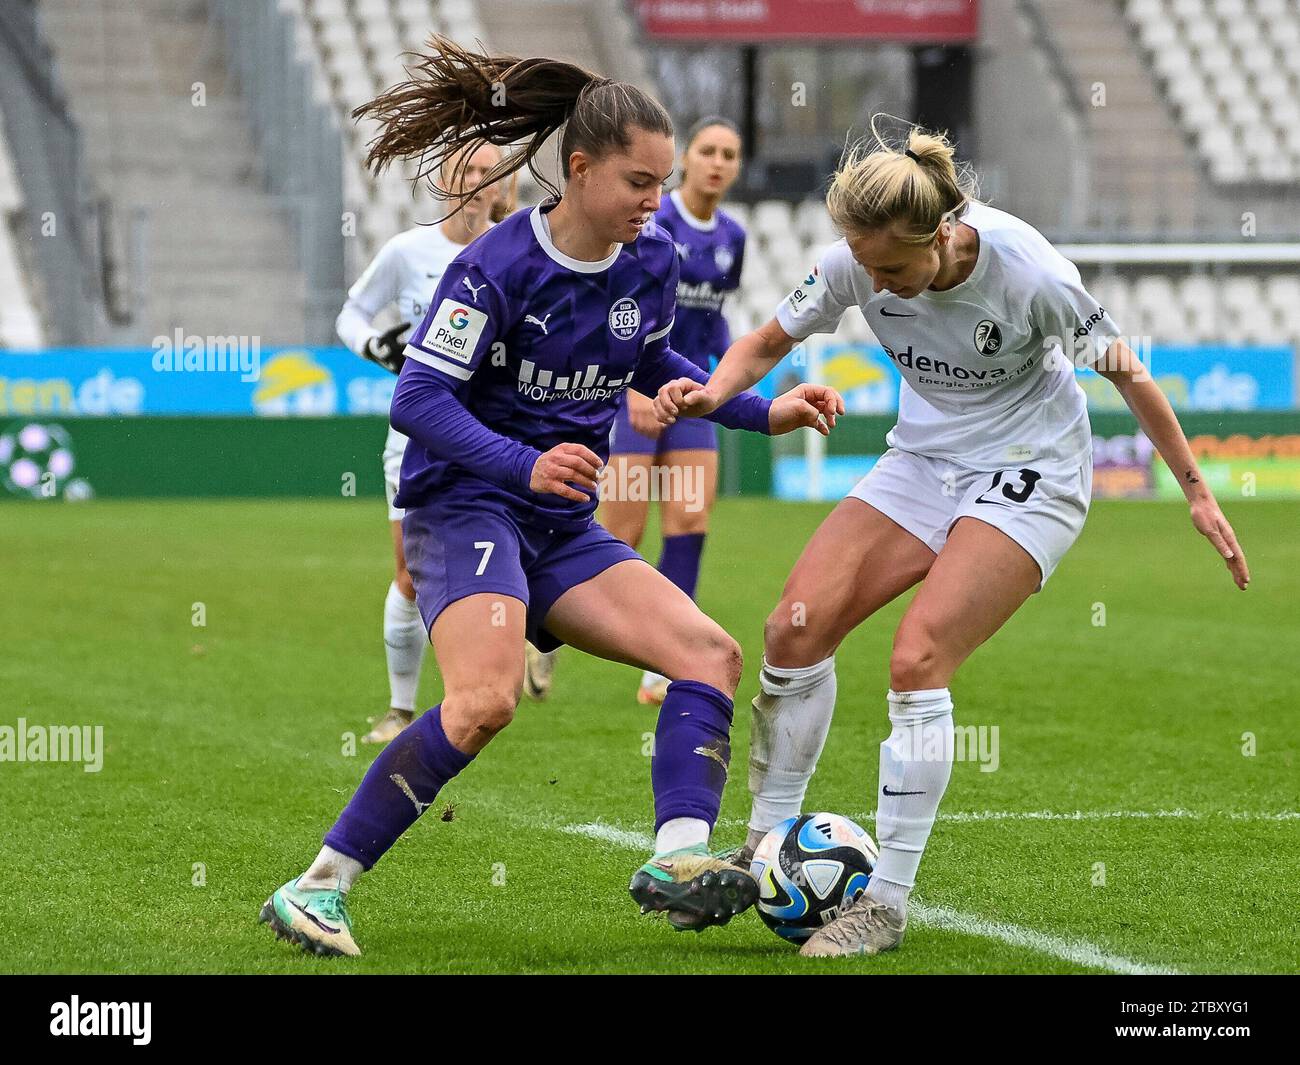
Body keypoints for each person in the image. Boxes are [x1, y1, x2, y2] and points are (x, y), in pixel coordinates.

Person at [259, 37, 844, 957]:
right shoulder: (493, 267)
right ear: (579, 170)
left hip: (558, 528)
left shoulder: (644, 261)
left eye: (662, 182)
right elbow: (416, 397)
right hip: (465, 510)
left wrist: (763, 411)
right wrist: (523, 465)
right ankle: (317, 887)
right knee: (484, 701)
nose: (656, 203)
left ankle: (680, 859)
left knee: (709, 653)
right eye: (639, 182)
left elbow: (654, 360)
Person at [654, 119, 1249, 958]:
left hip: (1032, 469)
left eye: (892, 268)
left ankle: (886, 903)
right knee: (793, 626)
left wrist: (1197, 492)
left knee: (918, 656)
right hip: (925, 459)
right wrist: (711, 394)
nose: (877, 283)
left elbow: (1127, 370)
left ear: (941, 237)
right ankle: (762, 846)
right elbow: (765, 341)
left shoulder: (1030, 272)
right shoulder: (854, 261)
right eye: (865, 266)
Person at [336, 146, 556, 745]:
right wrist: (379, 348)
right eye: (464, 170)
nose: (475, 182)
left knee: (524, 556)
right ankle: (401, 709)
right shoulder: (409, 252)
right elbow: (350, 314)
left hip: (503, 438)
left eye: (488, 172)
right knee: (410, 574)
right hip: (421, 437)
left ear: (502, 186)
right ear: (439, 179)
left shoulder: (520, 254)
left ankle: (533, 642)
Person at [599, 116, 746, 706]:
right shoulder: (653, 225)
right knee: (623, 532)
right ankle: (544, 636)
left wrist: (731, 374)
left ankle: (663, 668)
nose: (717, 162)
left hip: (690, 397)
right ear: (686, 158)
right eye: (707, 150)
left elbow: (714, 320)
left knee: (689, 524)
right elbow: (622, 307)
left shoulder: (733, 236)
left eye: (729, 154)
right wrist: (632, 387)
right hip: (637, 391)